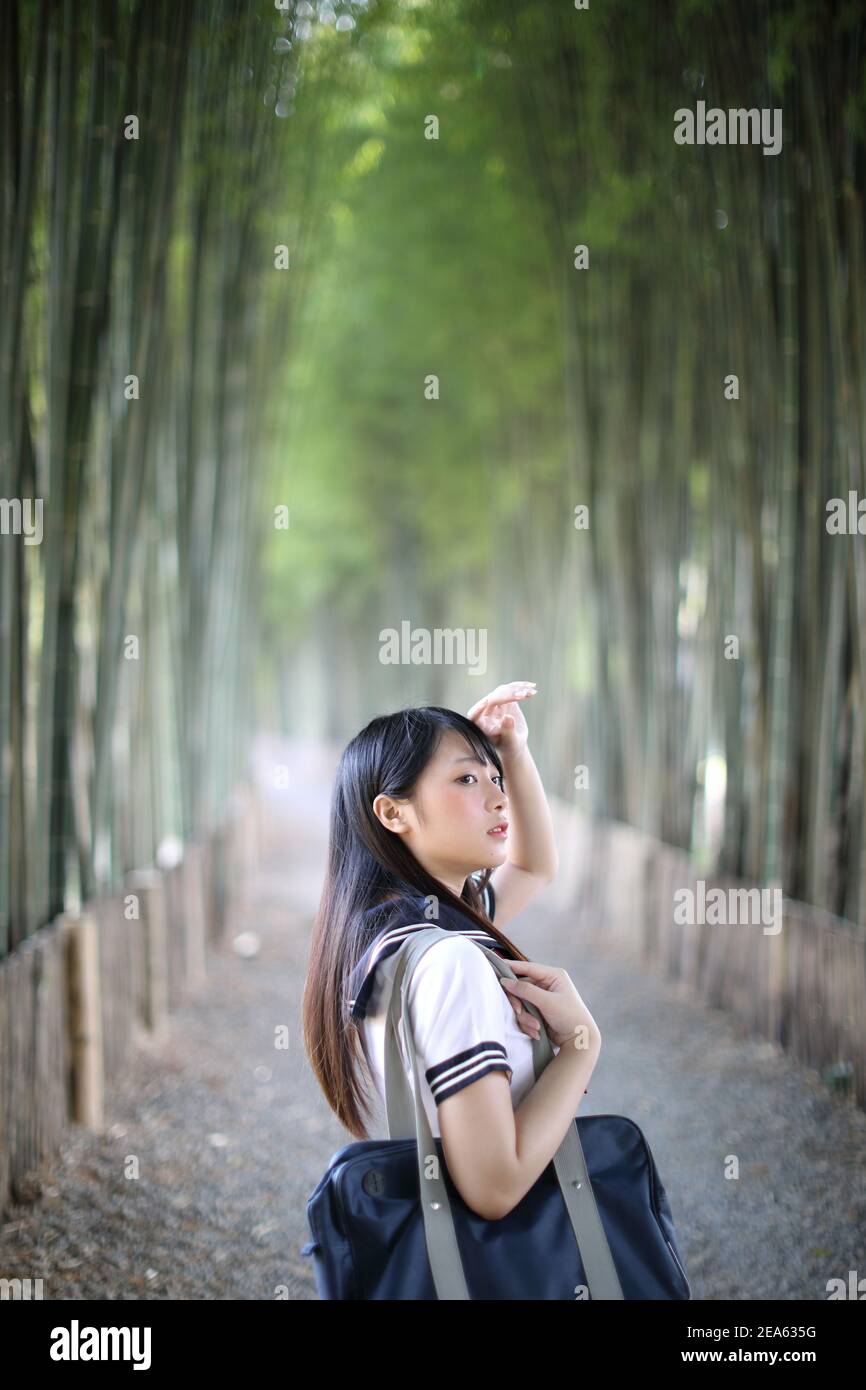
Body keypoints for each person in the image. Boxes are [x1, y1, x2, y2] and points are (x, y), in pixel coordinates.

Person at [302, 680, 601, 1222]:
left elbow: (533, 866)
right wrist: (581, 1044)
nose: (498, 796)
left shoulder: (396, 937)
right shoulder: (449, 961)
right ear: (394, 814)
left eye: (496, 779)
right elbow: (495, 1187)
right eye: (466, 779)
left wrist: (510, 750)